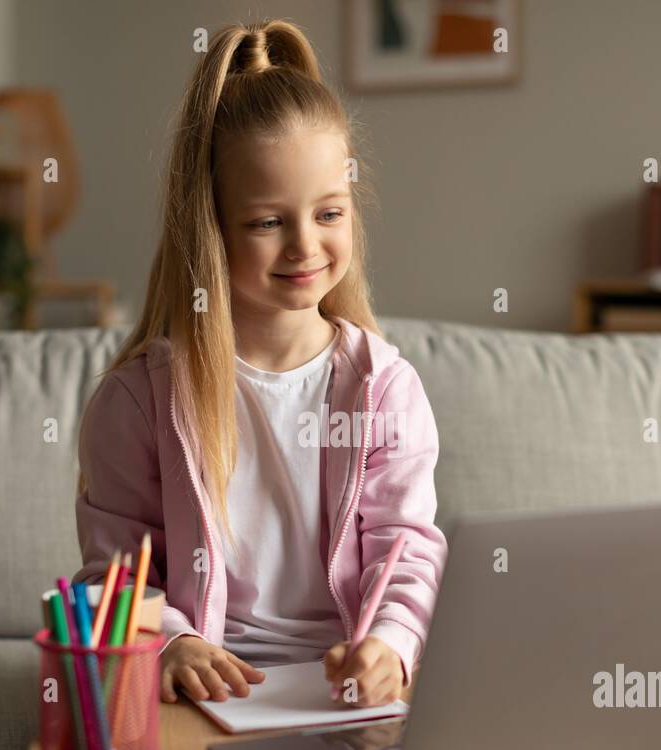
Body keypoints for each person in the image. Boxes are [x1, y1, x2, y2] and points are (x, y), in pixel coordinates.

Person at [73, 18, 447, 709]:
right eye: (268, 222)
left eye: (329, 213)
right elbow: (116, 574)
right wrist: (171, 643)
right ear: (209, 227)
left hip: (345, 688)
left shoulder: (383, 388)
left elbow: (408, 548)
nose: (305, 246)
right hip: (203, 692)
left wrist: (390, 645)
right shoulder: (136, 402)